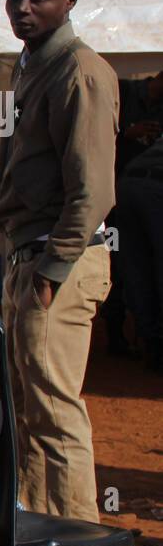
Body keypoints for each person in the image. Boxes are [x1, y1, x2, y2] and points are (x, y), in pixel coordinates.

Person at [0, 0, 117, 546]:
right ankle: (41, 545)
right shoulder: (31, 66)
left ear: (69, 0)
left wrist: (52, 271)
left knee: (55, 414)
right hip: (28, 258)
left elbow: (93, 191)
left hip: (57, 264)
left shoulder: (80, 71)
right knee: (26, 411)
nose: (23, 7)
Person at [110, 72, 163, 366]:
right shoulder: (122, 90)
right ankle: (141, 341)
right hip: (123, 193)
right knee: (124, 264)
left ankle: (150, 343)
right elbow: (92, 130)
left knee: (135, 267)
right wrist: (126, 132)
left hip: (128, 189)